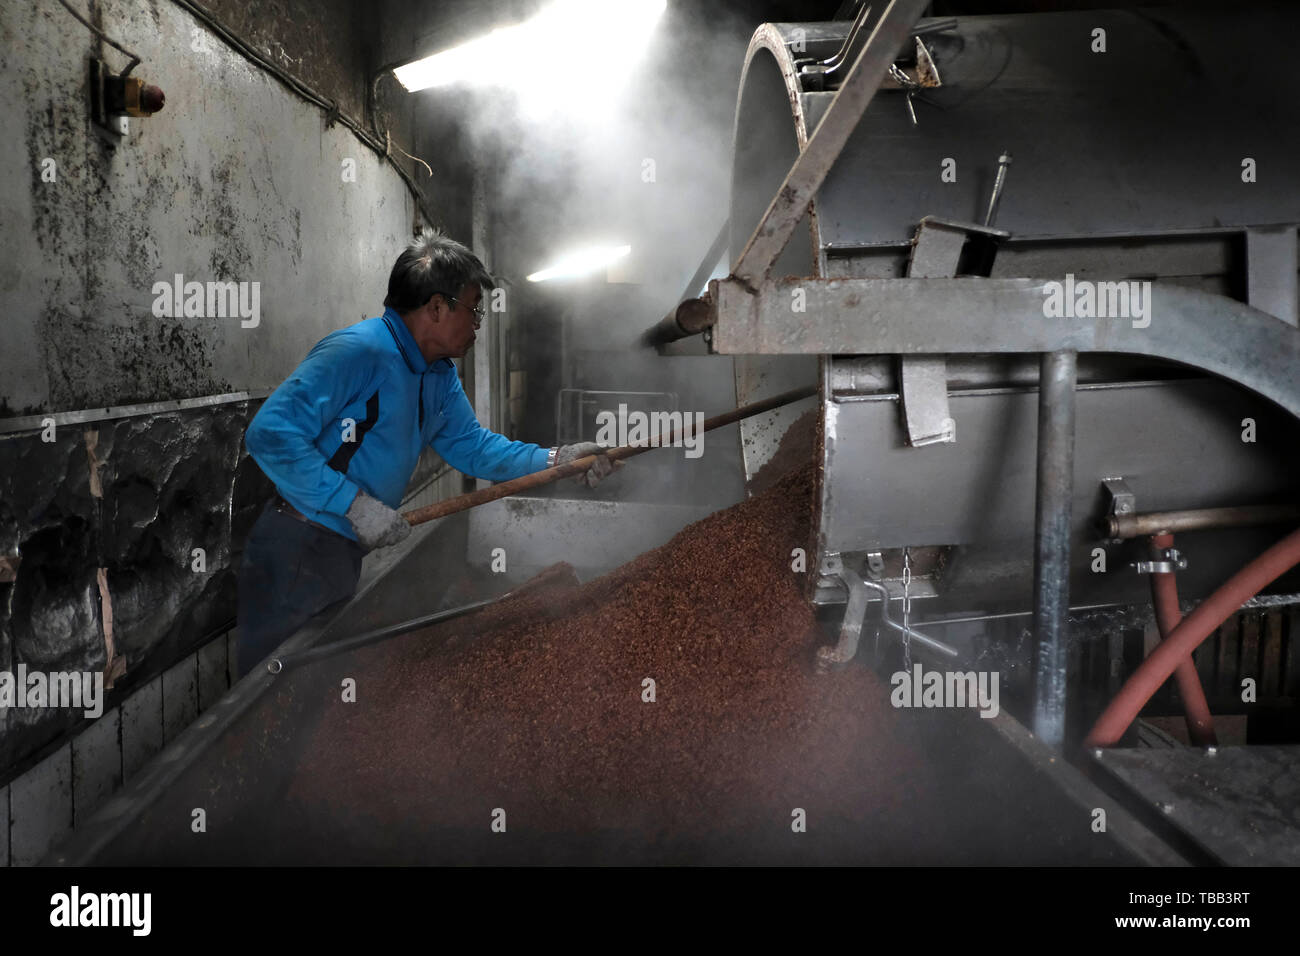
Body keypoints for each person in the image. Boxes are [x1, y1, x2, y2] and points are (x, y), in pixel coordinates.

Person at [235, 230, 612, 676]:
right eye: (474, 310)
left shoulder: (437, 375)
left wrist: (558, 460)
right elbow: (269, 434)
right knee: (269, 694)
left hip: (341, 549)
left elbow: (473, 448)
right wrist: (350, 504)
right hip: (296, 545)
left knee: (312, 685)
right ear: (436, 307)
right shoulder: (360, 351)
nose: (477, 325)